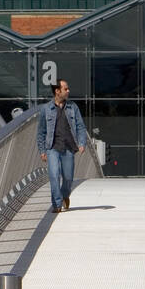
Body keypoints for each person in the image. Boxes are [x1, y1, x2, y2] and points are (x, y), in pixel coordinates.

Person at [36, 78, 87, 213]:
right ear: (57, 91)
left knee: (68, 177)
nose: (68, 91)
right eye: (65, 89)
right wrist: (42, 150)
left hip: (69, 147)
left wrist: (82, 143)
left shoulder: (73, 107)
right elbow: (41, 132)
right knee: (54, 174)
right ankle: (57, 204)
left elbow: (81, 127)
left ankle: (65, 195)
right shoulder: (46, 109)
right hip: (52, 147)